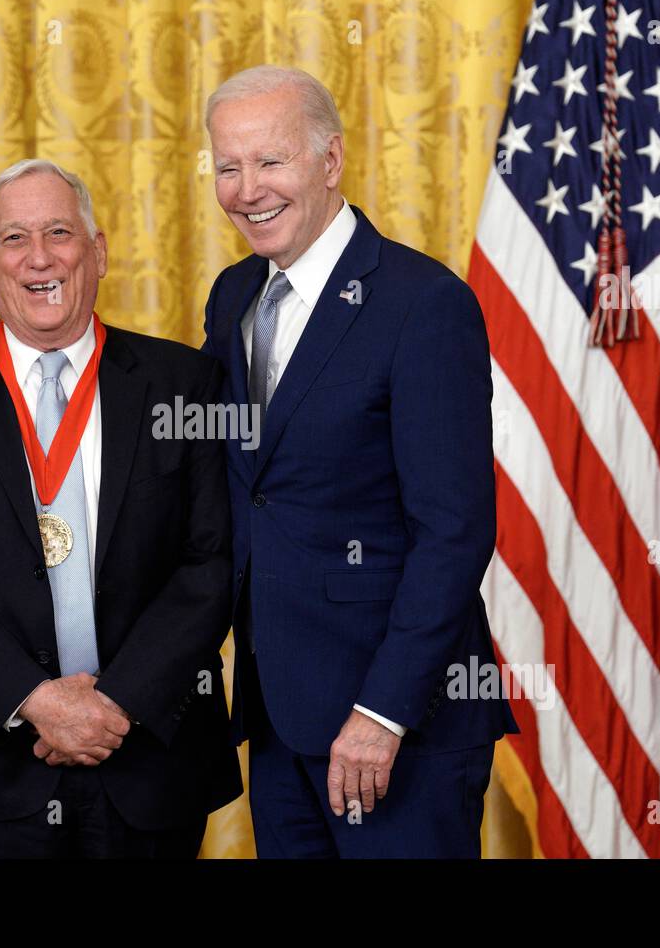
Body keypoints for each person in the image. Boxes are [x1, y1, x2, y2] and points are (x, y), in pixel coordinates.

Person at [0, 159, 240, 858]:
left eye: (58, 233)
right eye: (15, 239)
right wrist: (39, 702)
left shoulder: (185, 383)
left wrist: (115, 704)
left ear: (96, 252)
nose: (38, 257)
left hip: (150, 761)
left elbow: (211, 563)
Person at [201, 65, 517, 858]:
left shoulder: (423, 303)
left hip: (398, 727)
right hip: (277, 714)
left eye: (270, 162)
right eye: (228, 167)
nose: (247, 190)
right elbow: (242, 488)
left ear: (331, 160)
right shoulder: (234, 293)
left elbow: (456, 529)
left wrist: (382, 715)